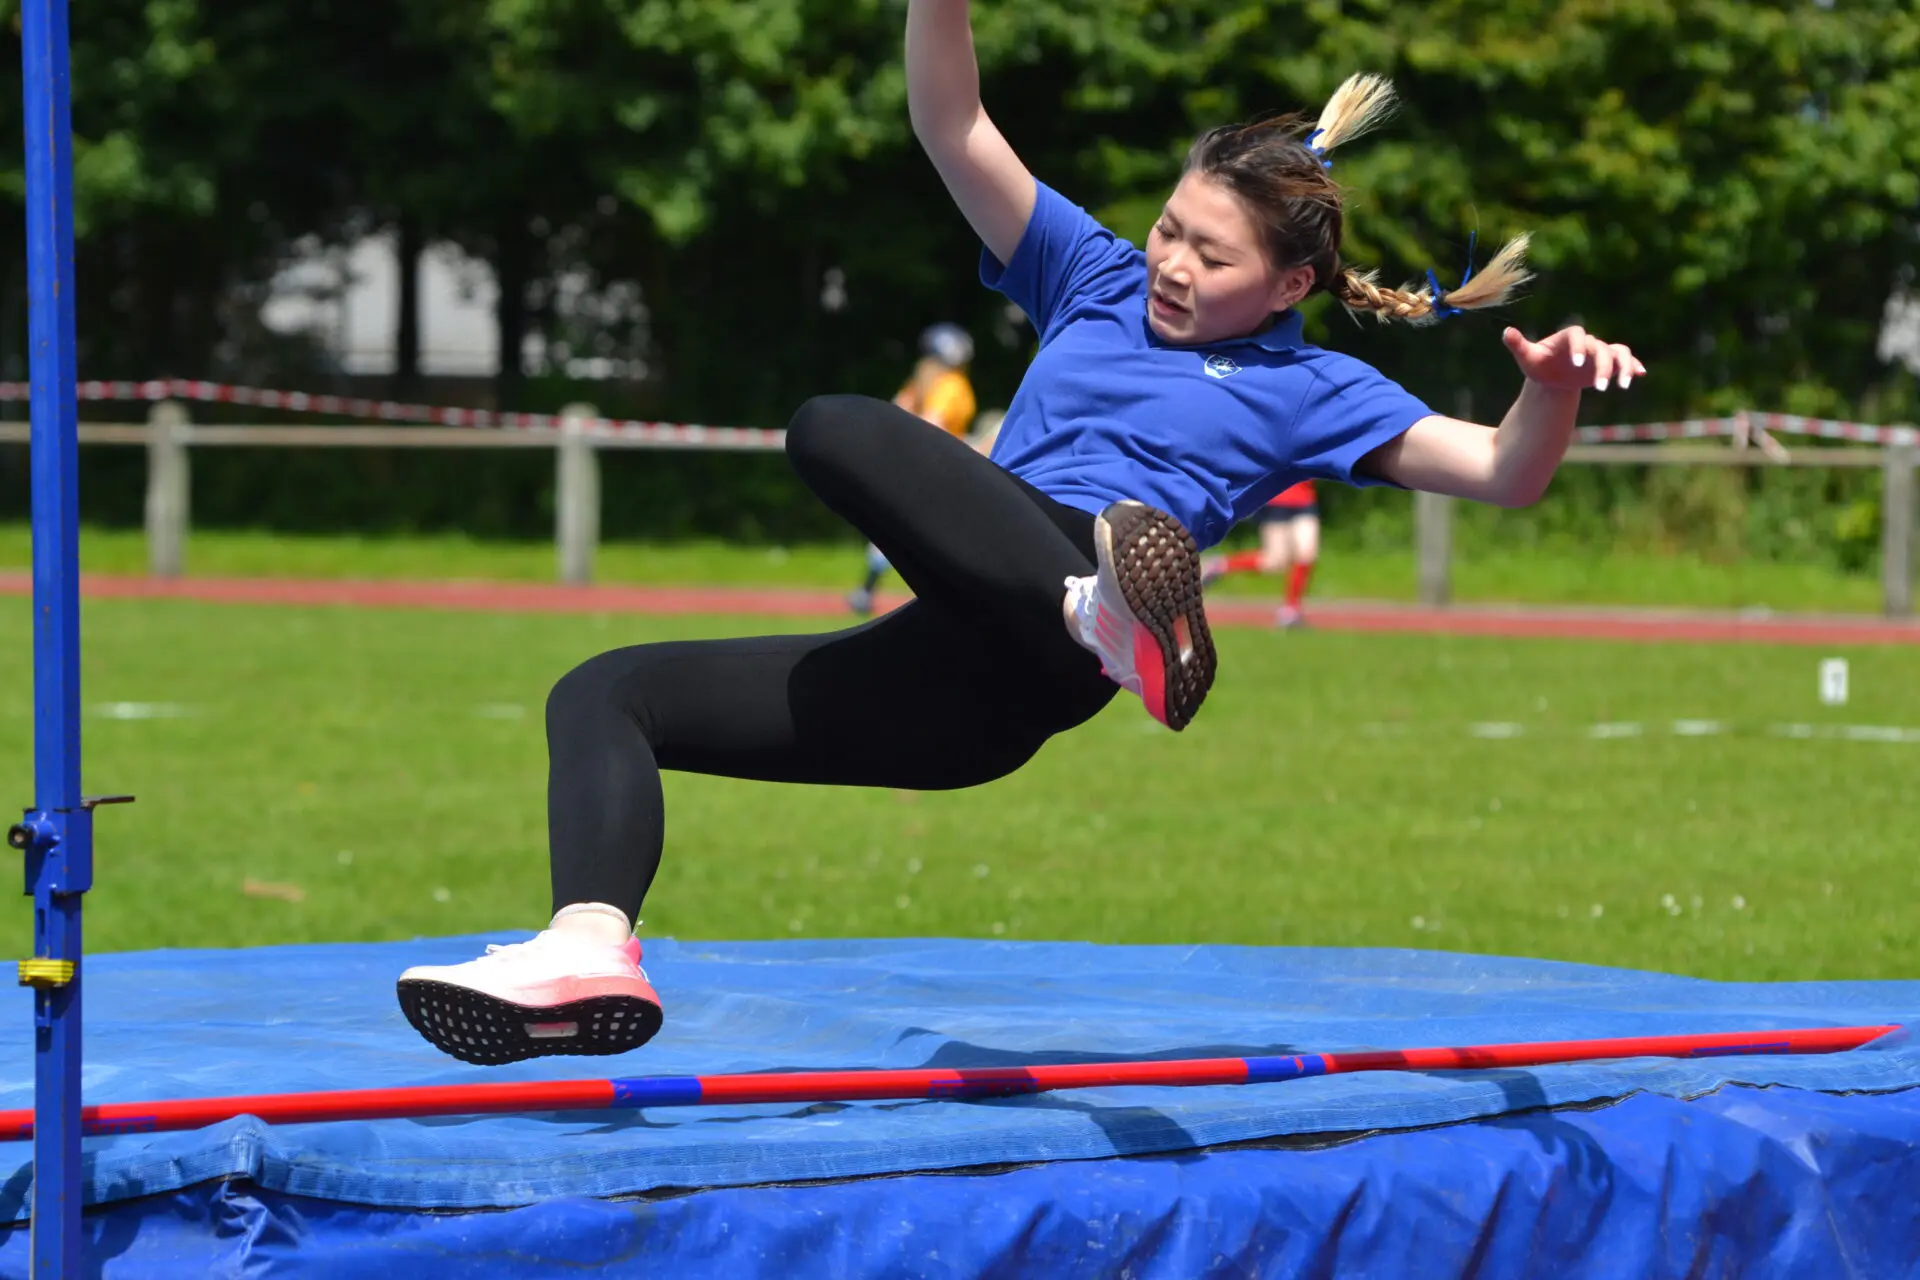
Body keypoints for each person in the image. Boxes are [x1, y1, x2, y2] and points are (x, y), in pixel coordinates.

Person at [395, 4, 1645, 1065]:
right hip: (960, 692)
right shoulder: (1090, 275)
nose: (1169, 264)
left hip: (1066, 627)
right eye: (1169, 227)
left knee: (839, 424)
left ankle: (1107, 609)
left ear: (1290, 286)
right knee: (605, 690)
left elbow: (1502, 473)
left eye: (1210, 256)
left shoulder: (1315, 388)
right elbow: (952, 122)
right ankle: (587, 949)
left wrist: (1552, 388)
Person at [848, 323, 979, 615]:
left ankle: (868, 591)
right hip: (938, 469)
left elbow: (896, 413)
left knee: (900, 531)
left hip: (914, 466)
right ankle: (948, 598)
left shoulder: (925, 383)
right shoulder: (952, 385)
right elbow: (931, 424)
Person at [1201, 480, 1321, 627]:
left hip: (1305, 499)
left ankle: (1291, 611)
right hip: (1277, 500)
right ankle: (1220, 565)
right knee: (1273, 562)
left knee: (1306, 553)